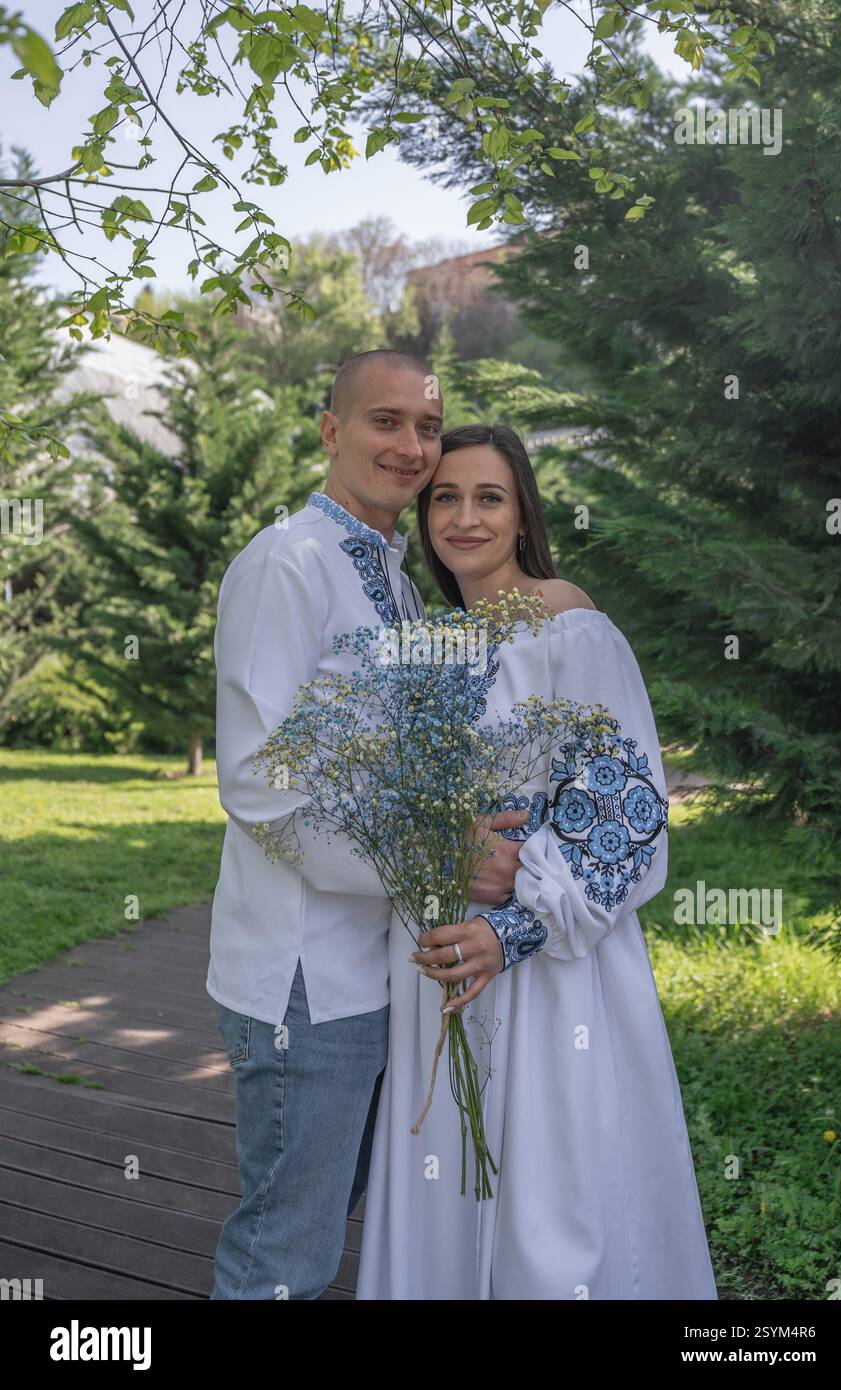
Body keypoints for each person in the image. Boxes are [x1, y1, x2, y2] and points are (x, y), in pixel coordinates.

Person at [355, 423, 718, 1300]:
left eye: (489, 498)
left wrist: (510, 929)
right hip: (441, 962)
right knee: (448, 1170)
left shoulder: (570, 622)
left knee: (553, 1197)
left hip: (551, 970)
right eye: (445, 496)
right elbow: (395, 798)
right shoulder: (436, 644)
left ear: (522, 517)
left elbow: (626, 819)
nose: (464, 517)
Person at [208, 355, 529, 1299]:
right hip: (302, 977)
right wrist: (437, 858)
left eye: (426, 429)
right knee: (284, 1252)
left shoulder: (396, 579)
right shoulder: (286, 564)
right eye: (385, 422)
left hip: (376, 966)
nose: (411, 447)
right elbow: (262, 785)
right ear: (330, 431)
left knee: (320, 1224)